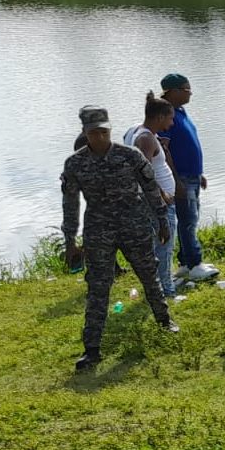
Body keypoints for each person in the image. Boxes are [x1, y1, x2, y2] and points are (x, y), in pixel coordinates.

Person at [62, 106, 179, 372]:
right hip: (98, 231)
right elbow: (70, 205)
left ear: (110, 130)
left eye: (104, 132)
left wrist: (162, 220)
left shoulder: (130, 155)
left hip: (134, 225)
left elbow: (151, 188)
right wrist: (70, 241)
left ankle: (164, 321)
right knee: (98, 287)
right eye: (94, 133)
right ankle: (92, 349)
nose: (100, 137)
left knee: (149, 275)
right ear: (85, 133)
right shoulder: (75, 164)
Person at [159, 73, 220, 282]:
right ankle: (195, 264)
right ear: (173, 92)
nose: (190, 93)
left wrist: (199, 173)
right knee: (188, 220)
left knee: (190, 218)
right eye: (187, 89)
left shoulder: (179, 111)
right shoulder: (166, 115)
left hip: (192, 176)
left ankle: (185, 262)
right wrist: (176, 181)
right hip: (181, 178)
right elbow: (164, 151)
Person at [124, 92, 179, 297]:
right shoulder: (146, 138)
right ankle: (166, 290)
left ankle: (159, 285)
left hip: (151, 200)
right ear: (159, 117)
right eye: (170, 118)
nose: (172, 123)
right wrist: (162, 193)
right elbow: (142, 171)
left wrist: (159, 146)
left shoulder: (137, 131)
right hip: (157, 202)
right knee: (165, 245)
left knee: (158, 244)